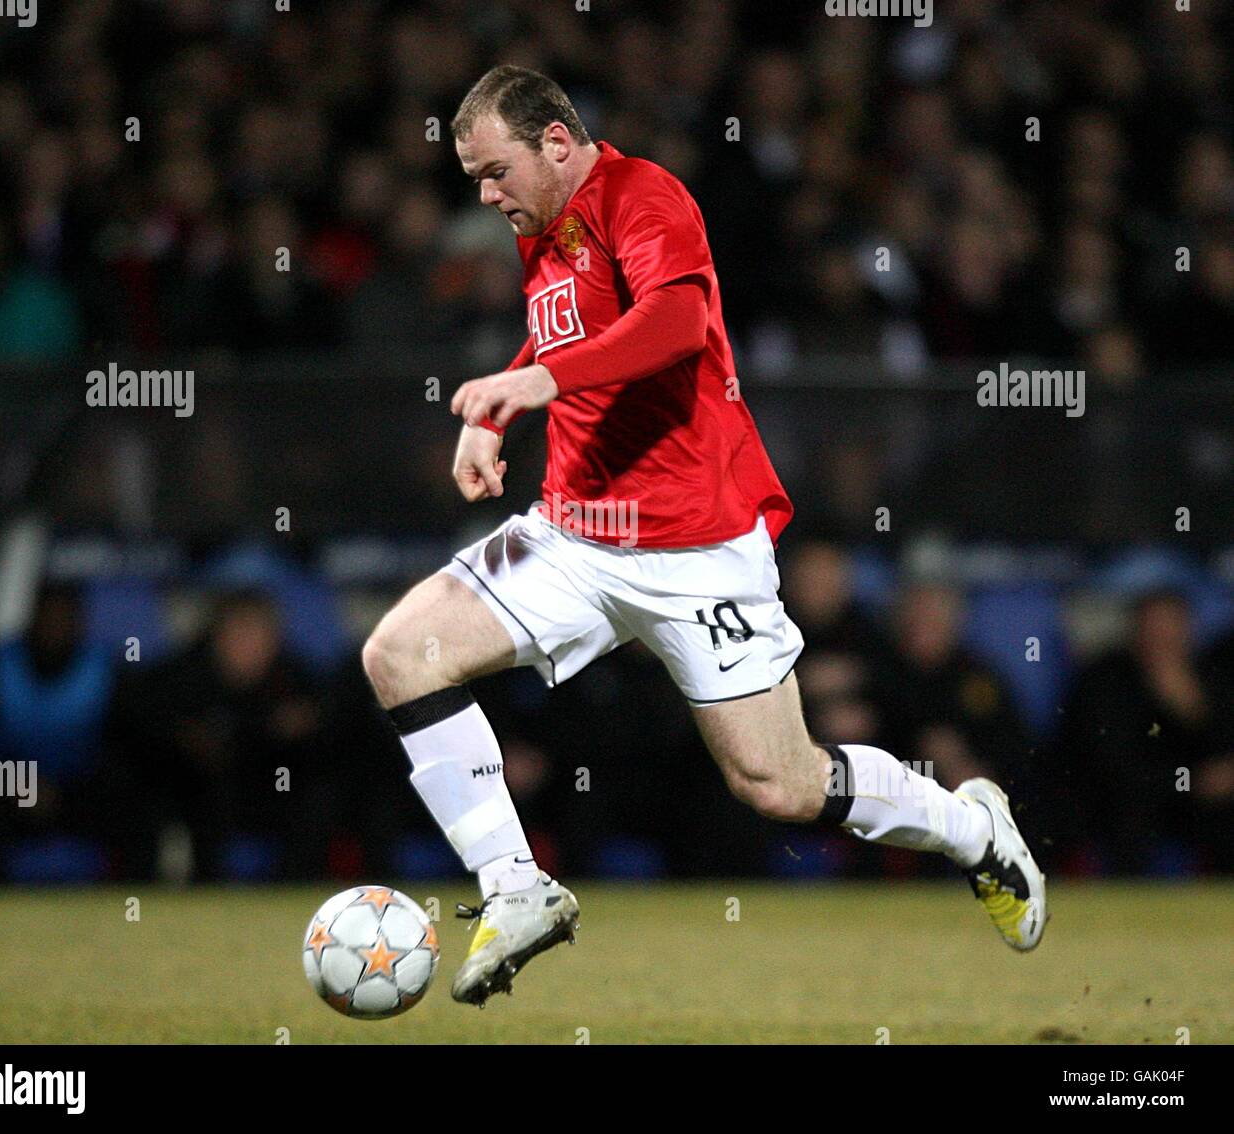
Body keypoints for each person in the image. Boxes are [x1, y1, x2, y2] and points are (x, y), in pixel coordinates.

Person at [361, 66, 1046, 1007]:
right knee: (401, 653)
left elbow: (677, 321)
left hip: (694, 549)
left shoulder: (644, 195)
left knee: (780, 785)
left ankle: (973, 831)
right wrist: (499, 410)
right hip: (572, 532)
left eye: (493, 172)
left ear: (555, 142)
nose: (484, 196)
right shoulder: (545, 227)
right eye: (473, 178)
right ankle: (516, 891)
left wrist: (538, 387)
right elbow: (564, 339)